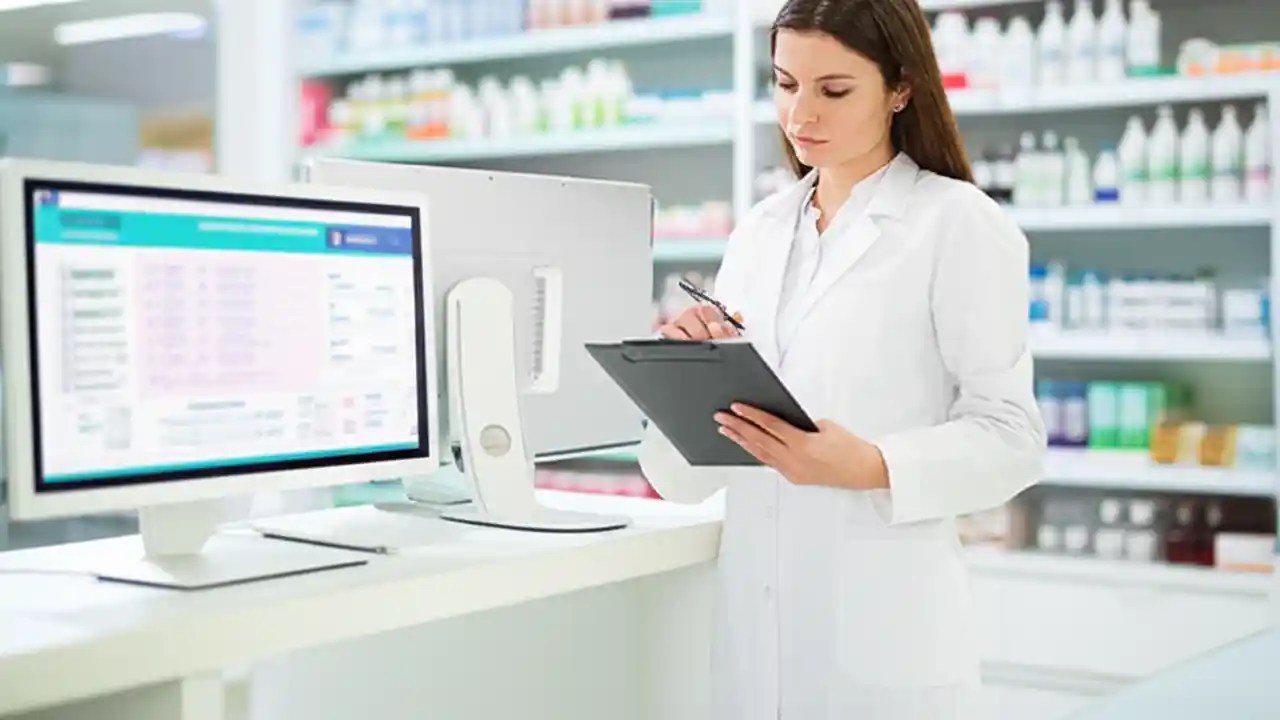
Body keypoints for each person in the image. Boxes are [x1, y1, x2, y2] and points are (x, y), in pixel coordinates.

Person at [638, 0, 1046, 718]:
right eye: (785, 84)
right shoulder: (760, 232)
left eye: (833, 90)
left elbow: (1012, 437)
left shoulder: (957, 225)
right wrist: (683, 380)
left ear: (900, 89)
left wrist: (868, 465)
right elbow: (680, 476)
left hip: (884, 647)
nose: (801, 115)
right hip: (753, 641)